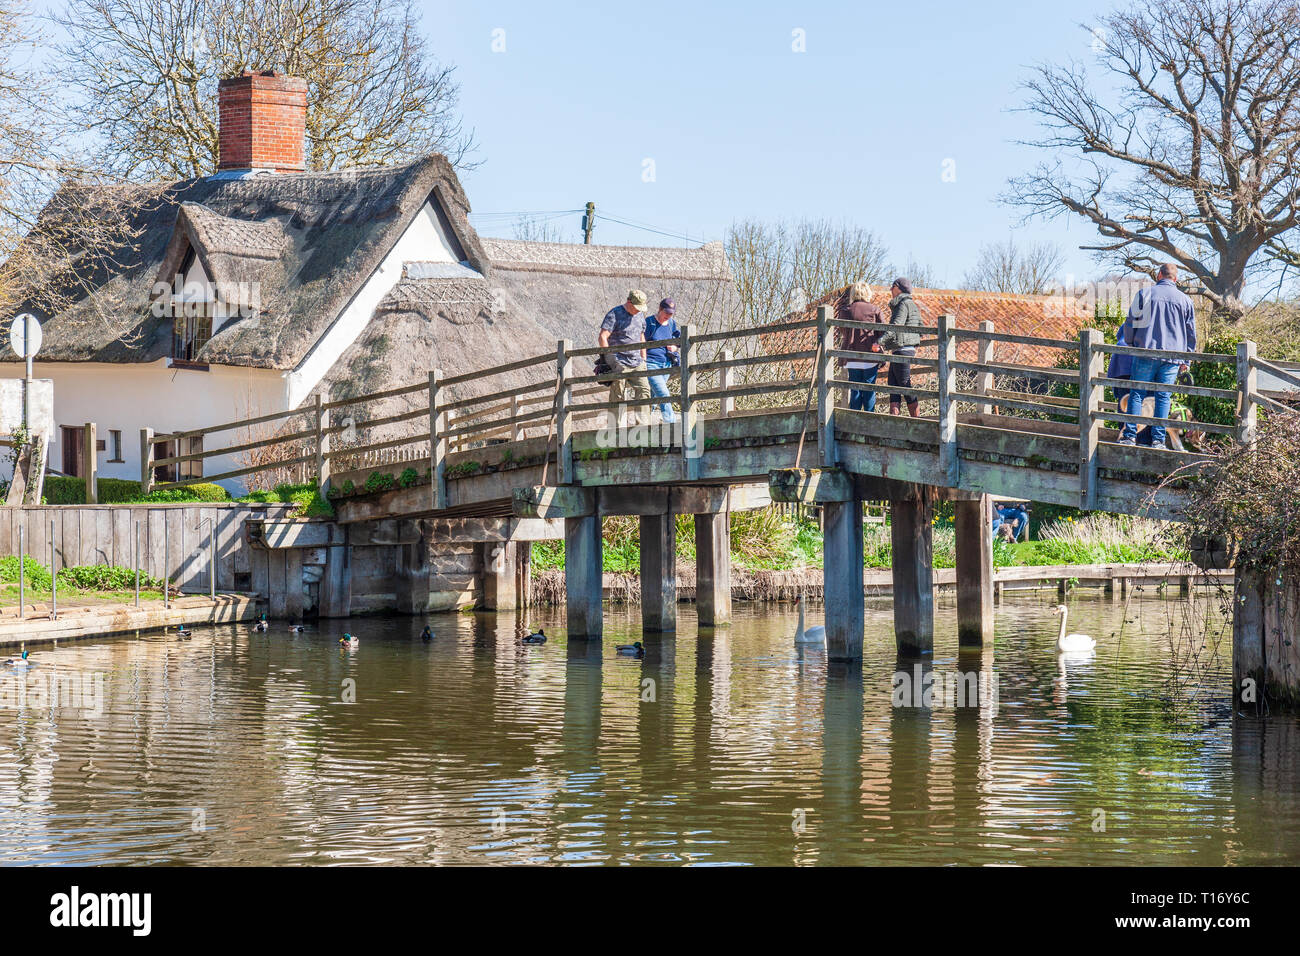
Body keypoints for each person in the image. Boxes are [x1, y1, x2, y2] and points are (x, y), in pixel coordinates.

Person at [1118, 264, 1196, 449]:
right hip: (1172, 357)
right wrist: (1187, 359)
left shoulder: (1144, 295)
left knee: (1137, 394)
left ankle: (1129, 436)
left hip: (1146, 352)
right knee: (1163, 397)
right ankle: (1158, 440)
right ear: (1175, 279)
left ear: (1159, 275)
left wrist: (1130, 343)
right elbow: (1191, 332)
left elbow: (1131, 322)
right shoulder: (1186, 301)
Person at [599, 290, 651, 426]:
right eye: (636, 307)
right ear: (629, 302)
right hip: (619, 361)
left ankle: (643, 426)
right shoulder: (614, 314)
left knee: (644, 390)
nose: (638, 311)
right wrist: (609, 360)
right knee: (618, 396)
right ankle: (616, 430)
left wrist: (644, 358)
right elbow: (603, 337)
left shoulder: (640, 316)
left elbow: (641, 336)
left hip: (637, 362)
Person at [873, 277, 922, 417]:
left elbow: (895, 326)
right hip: (902, 348)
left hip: (903, 349)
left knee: (905, 385)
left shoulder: (903, 304)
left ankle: (917, 421)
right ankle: (894, 420)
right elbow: (920, 325)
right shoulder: (911, 304)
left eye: (892, 286)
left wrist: (880, 341)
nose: (890, 290)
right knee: (893, 385)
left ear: (898, 288)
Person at [836, 281, 884, 411]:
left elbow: (842, 330)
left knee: (855, 392)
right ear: (867, 293)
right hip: (869, 356)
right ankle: (870, 424)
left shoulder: (845, 311)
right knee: (869, 392)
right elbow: (882, 332)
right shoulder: (874, 310)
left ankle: (854, 425)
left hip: (851, 357)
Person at [643, 297, 680, 424]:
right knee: (663, 394)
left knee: (654, 395)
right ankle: (672, 425)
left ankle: (644, 424)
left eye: (671, 313)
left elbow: (679, 339)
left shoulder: (671, 324)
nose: (668, 315)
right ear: (660, 309)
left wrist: (675, 347)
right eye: (666, 312)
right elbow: (640, 342)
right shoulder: (649, 322)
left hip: (666, 364)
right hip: (651, 363)